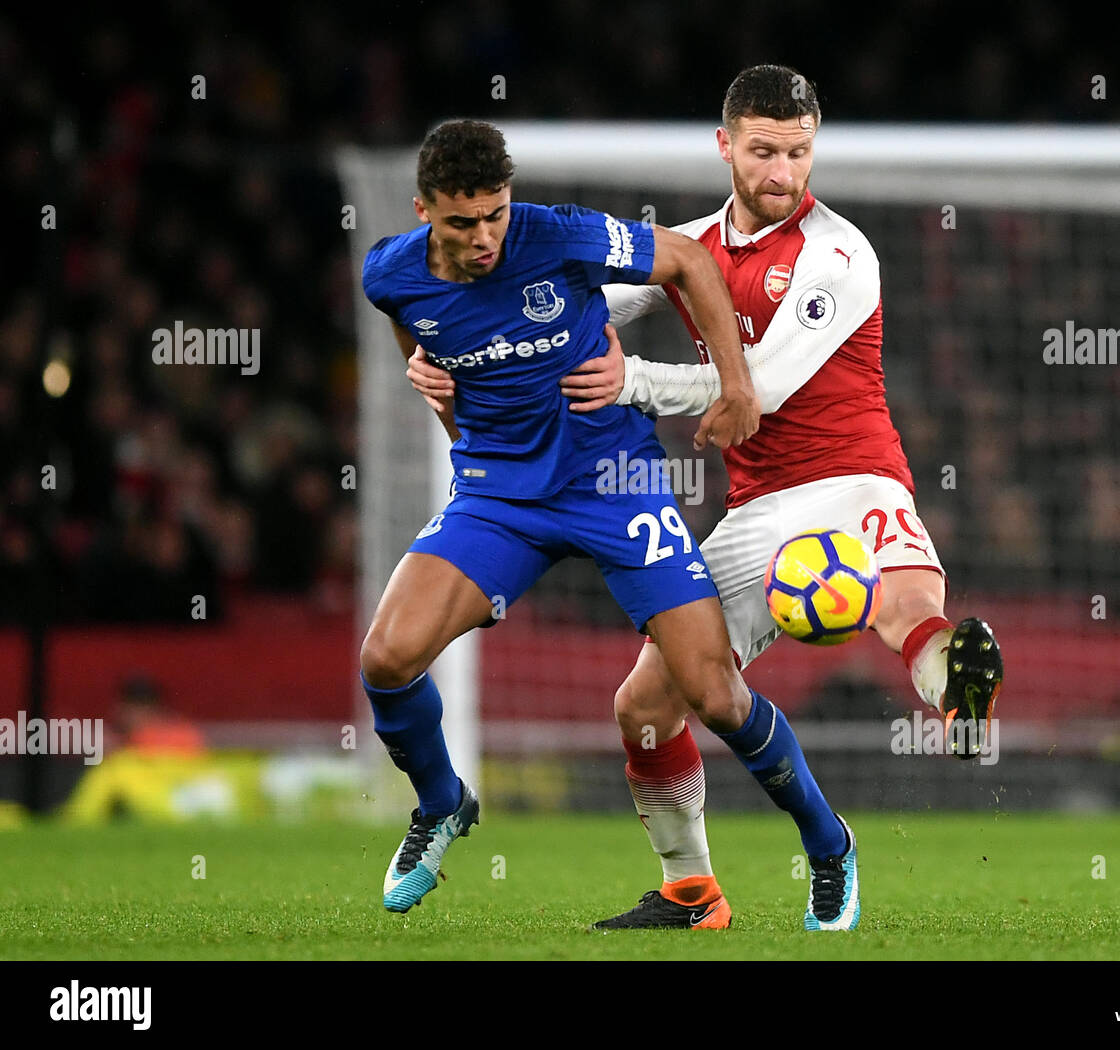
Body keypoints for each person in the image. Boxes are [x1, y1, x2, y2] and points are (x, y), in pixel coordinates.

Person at [410, 68, 1004, 931]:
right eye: (764, 151)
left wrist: (630, 382)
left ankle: (957, 692)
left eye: (799, 153)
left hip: (851, 477)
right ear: (725, 146)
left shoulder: (841, 254)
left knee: (907, 603)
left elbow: (752, 388)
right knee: (644, 709)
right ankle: (693, 891)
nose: (782, 172)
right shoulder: (690, 246)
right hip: (755, 509)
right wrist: (461, 347)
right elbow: (582, 314)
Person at [363, 118, 860, 931]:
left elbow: (688, 260)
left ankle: (828, 843)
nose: (485, 236)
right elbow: (413, 326)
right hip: (499, 496)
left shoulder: (556, 235)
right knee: (386, 657)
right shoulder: (390, 274)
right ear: (425, 213)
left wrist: (733, 386)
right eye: (463, 222)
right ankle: (442, 802)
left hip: (615, 486)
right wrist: (435, 378)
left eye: (495, 213)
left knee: (711, 692)